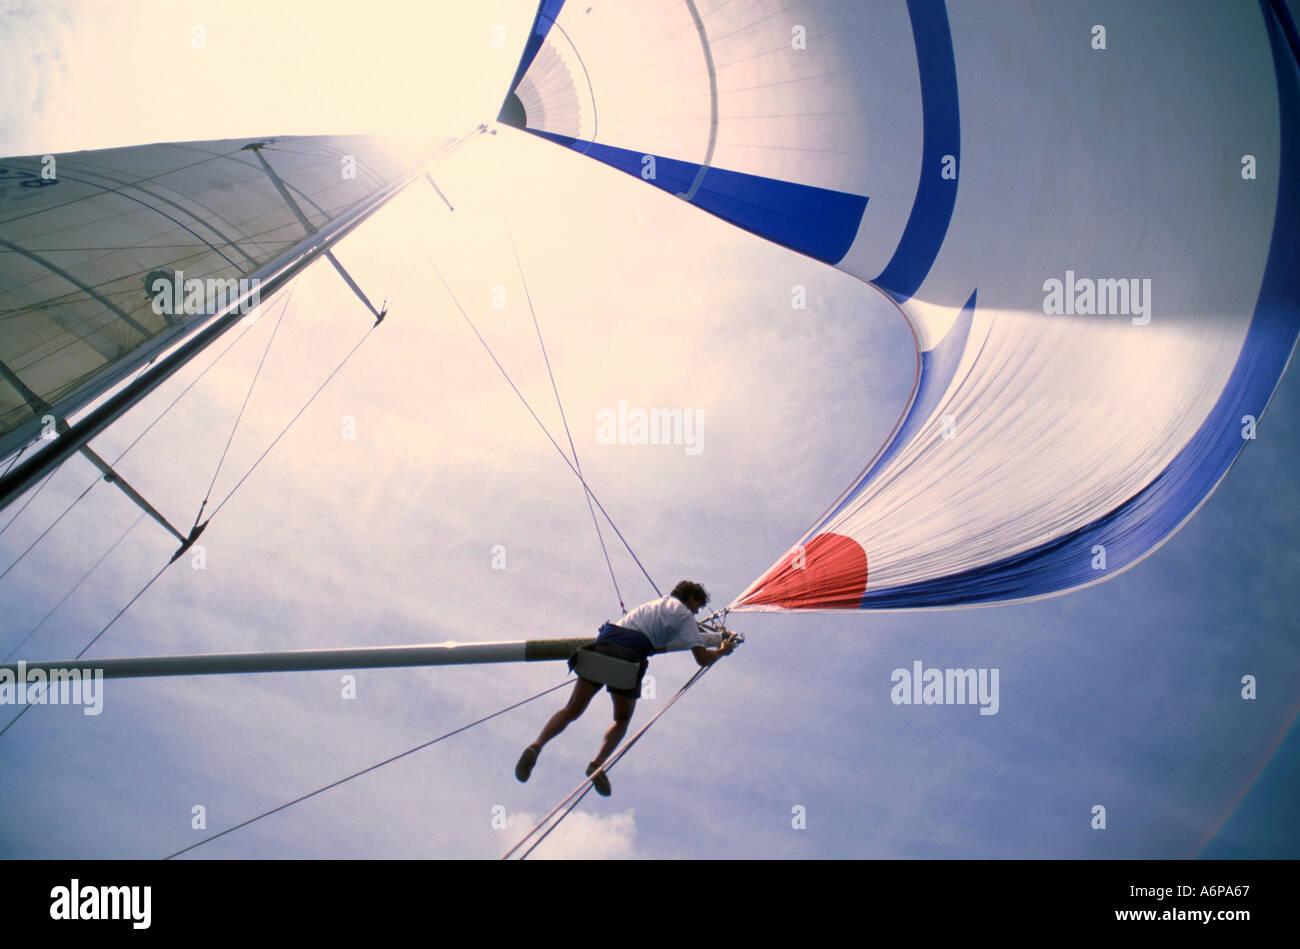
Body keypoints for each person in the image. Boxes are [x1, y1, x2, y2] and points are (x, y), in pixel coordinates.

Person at [514, 580, 737, 796]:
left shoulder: (656, 604)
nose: (696, 613)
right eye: (697, 607)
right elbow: (702, 658)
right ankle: (596, 764)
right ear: (691, 599)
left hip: (601, 648)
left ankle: (537, 745)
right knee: (621, 719)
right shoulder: (685, 616)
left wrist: (702, 630)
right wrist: (722, 650)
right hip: (627, 659)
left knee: (572, 709)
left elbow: (690, 626)